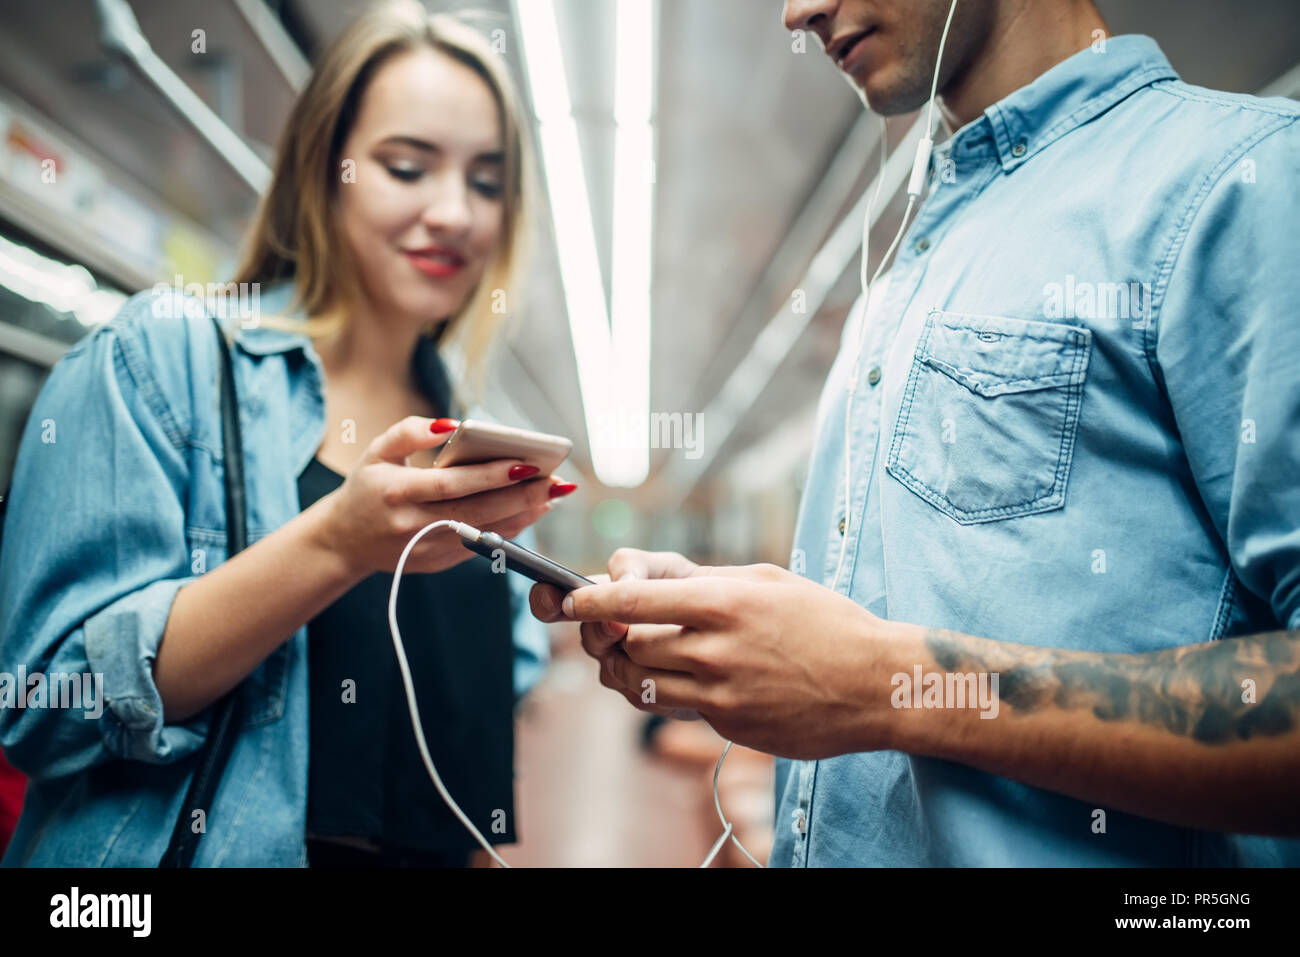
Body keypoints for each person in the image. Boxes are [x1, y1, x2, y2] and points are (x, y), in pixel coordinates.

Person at [531, 0, 1300, 866]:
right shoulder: (897, 281)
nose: (799, 11)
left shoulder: (1248, 179)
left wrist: (884, 685)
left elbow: (882, 674)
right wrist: (747, 640)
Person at [0, 0, 574, 867]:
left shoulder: (480, 438)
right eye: (407, 166)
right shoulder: (166, 360)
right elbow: (41, 702)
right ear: (324, 169)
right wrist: (335, 543)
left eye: (487, 181)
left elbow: (468, 733)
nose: (455, 211)